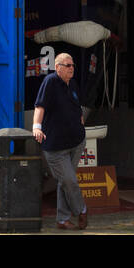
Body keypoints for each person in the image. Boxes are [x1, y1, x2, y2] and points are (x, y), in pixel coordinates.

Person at [33, 51, 88, 229]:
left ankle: (62, 220)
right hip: (56, 146)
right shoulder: (50, 82)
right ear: (57, 67)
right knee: (69, 180)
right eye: (67, 65)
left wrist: (80, 122)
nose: (72, 68)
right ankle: (81, 210)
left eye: (72, 65)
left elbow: (77, 106)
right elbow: (39, 105)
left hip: (76, 142)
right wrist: (36, 126)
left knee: (65, 181)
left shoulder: (72, 84)